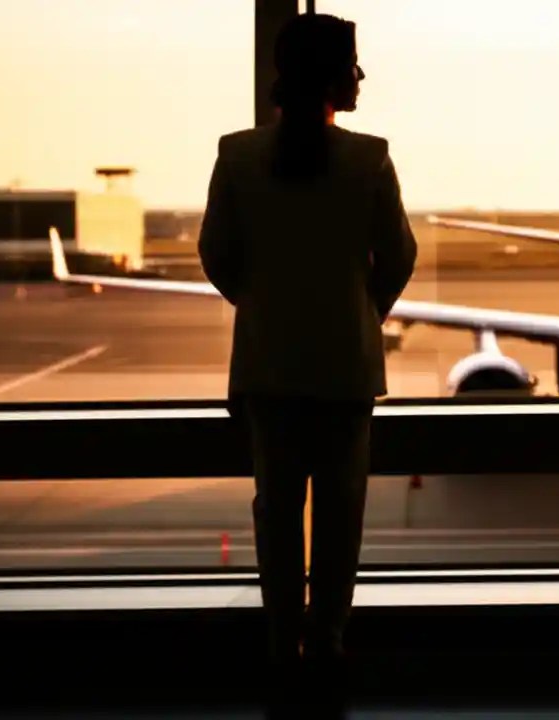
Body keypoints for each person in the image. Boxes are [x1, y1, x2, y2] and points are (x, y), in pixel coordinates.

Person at [196, 8, 417, 690]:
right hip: (346, 372)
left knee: (277, 511)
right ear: (333, 79)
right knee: (341, 513)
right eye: (352, 67)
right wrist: (360, 313)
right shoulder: (370, 157)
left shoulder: (237, 155)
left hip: (269, 369)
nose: (360, 78)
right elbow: (400, 256)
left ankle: (279, 642)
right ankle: (328, 643)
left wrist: (264, 309)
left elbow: (216, 256)